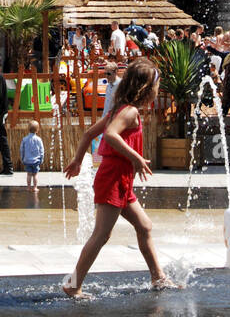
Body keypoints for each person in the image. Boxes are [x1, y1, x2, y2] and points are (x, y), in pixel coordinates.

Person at [62, 58, 171, 297]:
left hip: (120, 178)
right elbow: (110, 135)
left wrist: (79, 161)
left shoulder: (119, 109)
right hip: (113, 176)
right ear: (146, 88)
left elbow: (90, 133)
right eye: (156, 85)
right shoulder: (129, 112)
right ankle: (73, 284)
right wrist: (136, 158)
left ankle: (158, 278)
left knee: (144, 226)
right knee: (102, 235)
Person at [20, 120, 45, 189]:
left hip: (27, 160)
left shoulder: (24, 139)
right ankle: (35, 187)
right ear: (37, 130)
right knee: (35, 175)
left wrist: (22, 158)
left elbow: (22, 149)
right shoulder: (39, 139)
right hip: (36, 160)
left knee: (29, 174)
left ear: (28, 129)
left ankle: (28, 187)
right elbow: (41, 150)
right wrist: (41, 158)